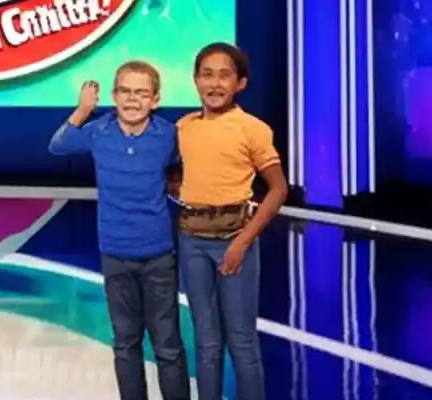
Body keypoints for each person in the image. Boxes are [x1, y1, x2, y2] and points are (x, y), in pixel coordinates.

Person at [47, 61, 191, 400]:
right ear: (113, 96)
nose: (132, 99)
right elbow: (58, 145)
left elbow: (188, 166)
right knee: (126, 343)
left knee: (167, 345)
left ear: (155, 99)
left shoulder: (168, 135)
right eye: (125, 91)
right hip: (115, 254)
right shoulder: (100, 131)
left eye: (141, 93)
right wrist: (83, 110)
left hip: (158, 256)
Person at [172, 42, 288, 400]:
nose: (215, 83)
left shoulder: (253, 129)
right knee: (206, 341)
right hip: (191, 242)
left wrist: (241, 243)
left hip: (234, 242)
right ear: (195, 81)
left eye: (224, 75)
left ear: (240, 83)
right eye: (207, 74)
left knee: (241, 340)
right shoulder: (183, 127)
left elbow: (278, 189)